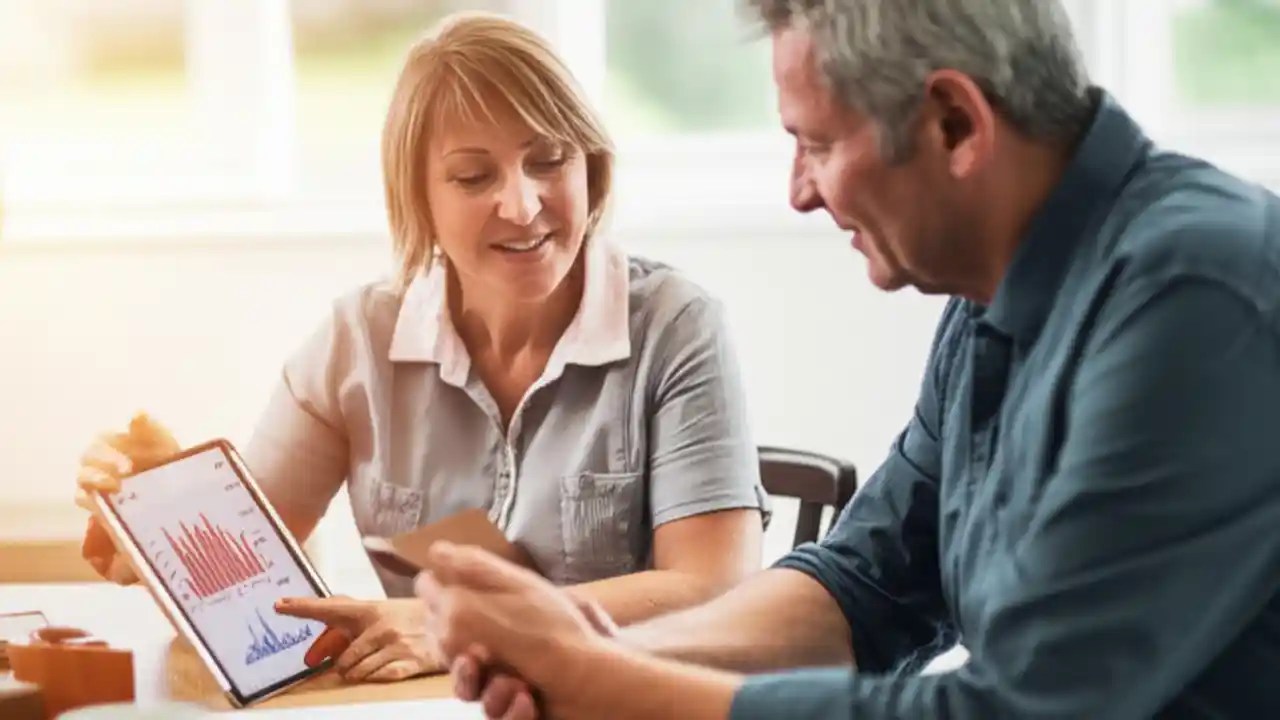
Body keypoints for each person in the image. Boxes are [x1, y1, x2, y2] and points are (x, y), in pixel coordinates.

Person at [417, 0, 1280, 718]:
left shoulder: (1196, 293)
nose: (799, 191)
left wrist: (599, 679)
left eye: (818, 145)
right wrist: (587, 647)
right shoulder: (991, 296)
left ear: (955, 124)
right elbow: (866, 587)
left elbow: (1020, 709)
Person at [74, 12, 769, 685]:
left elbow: (713, 587)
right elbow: (248, 581)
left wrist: (471, 625)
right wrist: (154, 510)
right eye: (474, 177)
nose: (523, 205)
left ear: (591, 167)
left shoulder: (678, 325)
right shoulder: (358, 340)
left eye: (549, 160)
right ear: (419, 197)